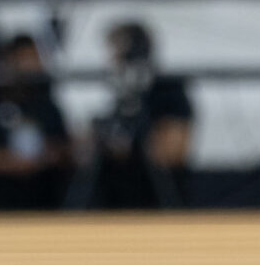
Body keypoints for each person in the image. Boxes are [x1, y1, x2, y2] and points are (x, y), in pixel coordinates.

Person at [80, 21, 194, 208]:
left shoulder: (168, 90)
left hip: (160, 205)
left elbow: (172, 152)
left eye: (118, 55)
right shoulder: (121, 97)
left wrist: (135, 141)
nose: (113, 62)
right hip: (117, 204)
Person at [0, 33, 72, 210]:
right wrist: (10, 162)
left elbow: (68, 150)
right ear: (9, 61)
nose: (34, 67)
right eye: (27, 59)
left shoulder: (45, 105)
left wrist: (50, 155)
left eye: (36, 59)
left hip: (44, 208)